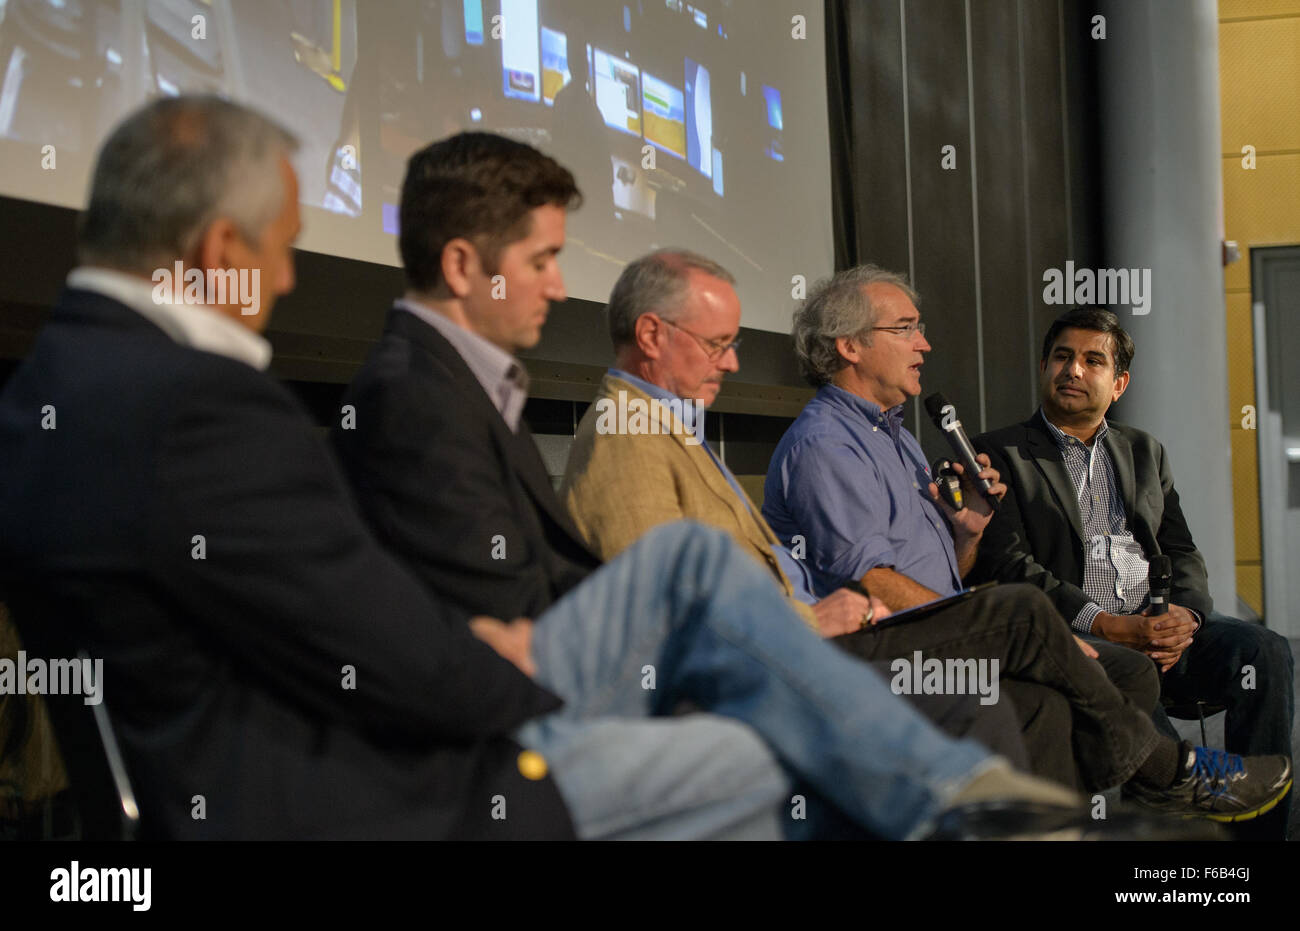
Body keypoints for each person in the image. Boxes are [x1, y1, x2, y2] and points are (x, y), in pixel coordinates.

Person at [330, 130, 1113, 839]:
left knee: (1000, 696)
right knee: (982, 653)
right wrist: (804, 627)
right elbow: (592, 608)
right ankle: (1108, 789)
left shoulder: (497, 396)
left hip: (670, 670)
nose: (559, 288)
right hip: (558, 729)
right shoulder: (440, 401)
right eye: (541, 262)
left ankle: (1040, 813)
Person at [0, 96, 579, 839]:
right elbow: (395, 660)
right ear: (221, 252)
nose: (286, 280)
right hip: (361, 803)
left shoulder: (41, 392)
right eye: (282, 247)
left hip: (219, 793)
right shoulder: (202, 410)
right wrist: (552, 681)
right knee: (729, 755)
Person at [761, 265, 1292, 818]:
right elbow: (870, 579)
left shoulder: (899, 439)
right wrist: (1014, 629)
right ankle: (1170, 775)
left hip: (974, 631)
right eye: (906, 328)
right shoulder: (828, 445)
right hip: (881, 647)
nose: (925, 343)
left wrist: (966, 533)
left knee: (1218, 657)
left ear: (1119, 383)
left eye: (1094, 361)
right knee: (1024, 612)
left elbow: (959, 571)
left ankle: (1093, 818)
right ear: (850, 345)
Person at [971, 308, 1294, 766]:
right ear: (1044, 367)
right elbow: (1010, 566)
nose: (1073, 370)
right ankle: (1182, 787)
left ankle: (1259, 820)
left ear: (1119, 383)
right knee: (1131, 680)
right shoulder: (999, 453)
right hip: (1080, 631)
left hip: (1158, 623)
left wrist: (1187, 617)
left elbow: (1181, 550)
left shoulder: (1143, 450)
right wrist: (1107, 623)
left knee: (1266, 651)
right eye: (1062, 357)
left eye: (1092, 360)